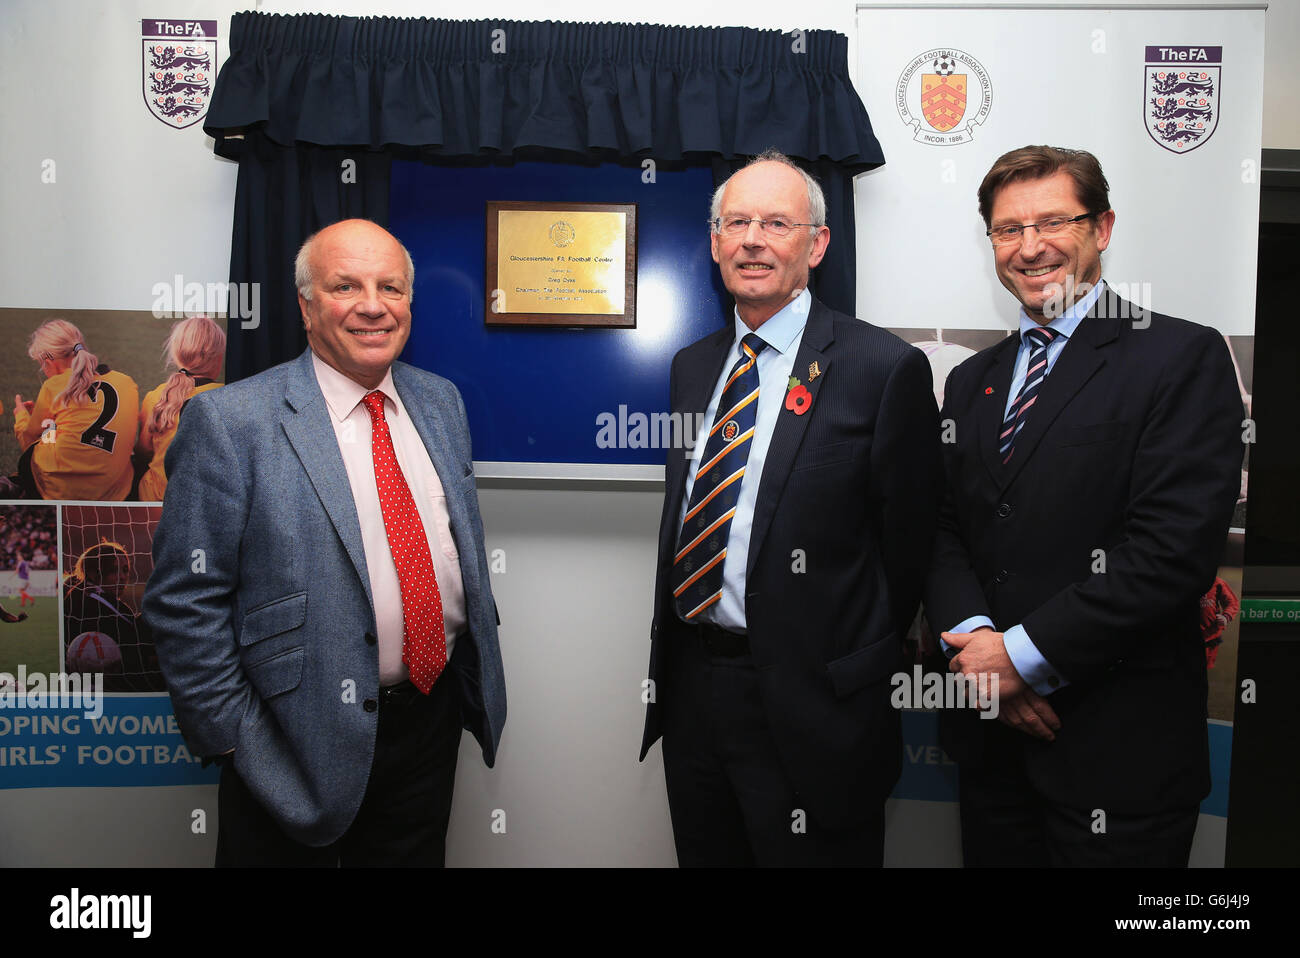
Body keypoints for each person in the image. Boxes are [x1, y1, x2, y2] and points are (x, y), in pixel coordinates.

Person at [143, 218, 505, 866]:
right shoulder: (231, 423)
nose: (373, 305)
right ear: (308, 308)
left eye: (390, 287)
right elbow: (182, 600)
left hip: (428, 721)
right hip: (290, 740)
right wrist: (233, 737)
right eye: (346, 286)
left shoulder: (442, 403)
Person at [925, 145, 1243, 866]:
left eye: (1053, 222)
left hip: (1120, 756)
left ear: (1102, 228)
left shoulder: (1180, 357)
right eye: (1008, 229)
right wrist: (984, 654)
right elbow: (944, 529)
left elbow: (1172, 553)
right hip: (993, 748)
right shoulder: (971, 379)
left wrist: (1019, 658)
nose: (1030, 247)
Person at [639, 151, 943, 866]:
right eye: (736, 222)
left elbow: (906, 552)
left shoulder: (883, 368)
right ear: (714, 241)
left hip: (819, 709)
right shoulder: (692, 364)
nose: (753, 239)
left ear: (818, 243)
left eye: (777, 222)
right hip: (695, 693)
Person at [10, 320, 139, 501]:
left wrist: (21, 417)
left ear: (49, 362)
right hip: (114, 490)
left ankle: (17, 486)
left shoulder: (54, 385)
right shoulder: (126, 382)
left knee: (37, 447)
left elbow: (29, 440)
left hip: (59, 491)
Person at [136, 316, 225, 502]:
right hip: (200, 504)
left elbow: (144, 450)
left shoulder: (157, 395)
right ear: (218, 357)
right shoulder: (228, 396)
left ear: (177, 354)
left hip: (155, 499)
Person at [64, 541, 162, 692]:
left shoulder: (81, 594)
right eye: (114, 570)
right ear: (93, 573)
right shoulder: (91, 602)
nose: (122, 577)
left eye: (125, 570)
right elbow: (131, 643)